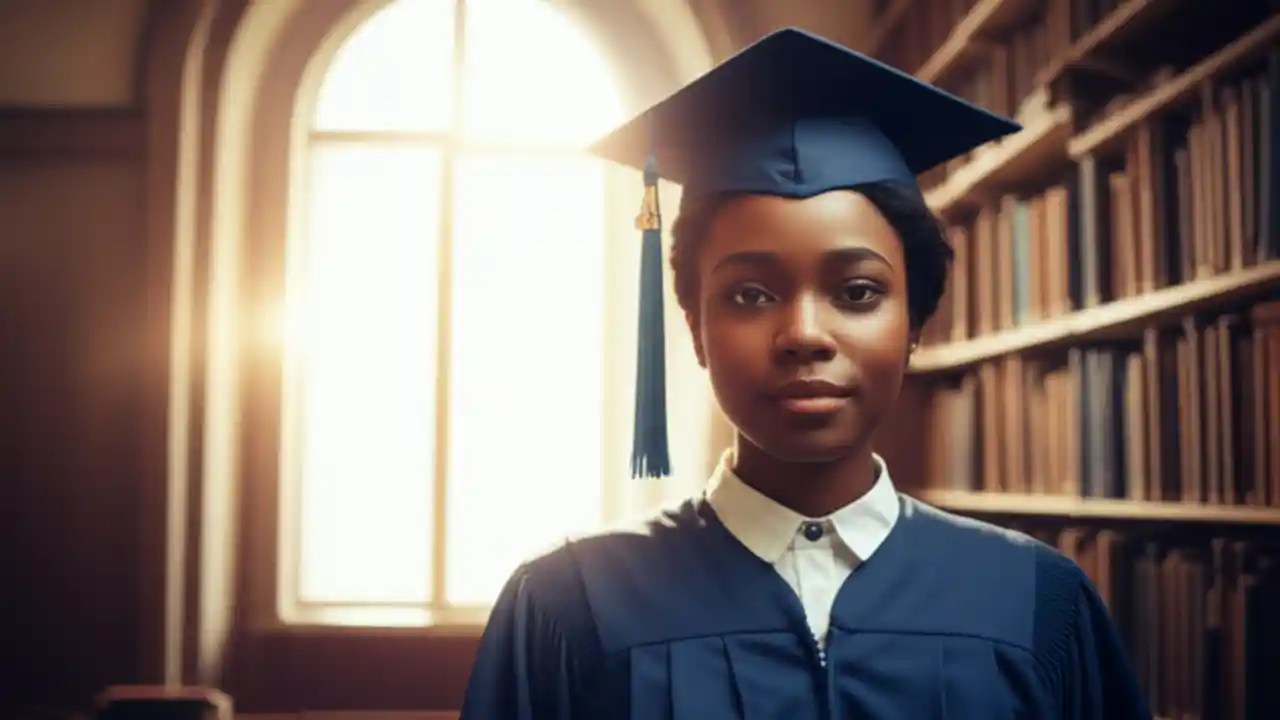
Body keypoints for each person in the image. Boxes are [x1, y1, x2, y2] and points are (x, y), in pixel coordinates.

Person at [460, 27, 1151, 719]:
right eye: (749, 295)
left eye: (857, 293)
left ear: (915, 324)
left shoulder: (1037, 604)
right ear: (696, 328)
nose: (804, 336)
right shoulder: (568, 607)